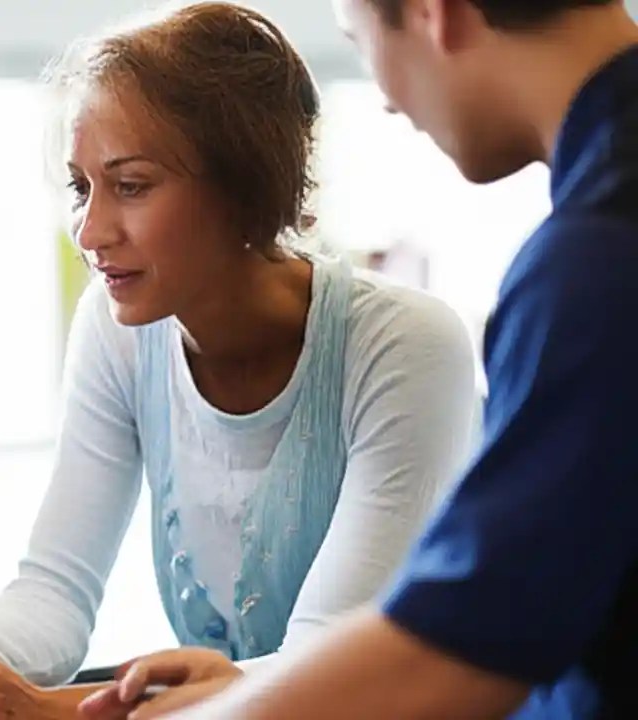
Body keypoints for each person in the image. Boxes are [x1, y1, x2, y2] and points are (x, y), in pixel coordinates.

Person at [0, 3, 480, 718]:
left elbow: (321, 669)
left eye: (130, 186)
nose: (90, 229)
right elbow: (54, 602)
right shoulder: (118, 329)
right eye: (82, 187)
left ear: (245, 186)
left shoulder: (405, 345)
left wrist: (46, 710)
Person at [79, 0, 638, 719]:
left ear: (435, 14)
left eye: (364, 43)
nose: (386, 97)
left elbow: (464, 646)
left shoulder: (596, 260)